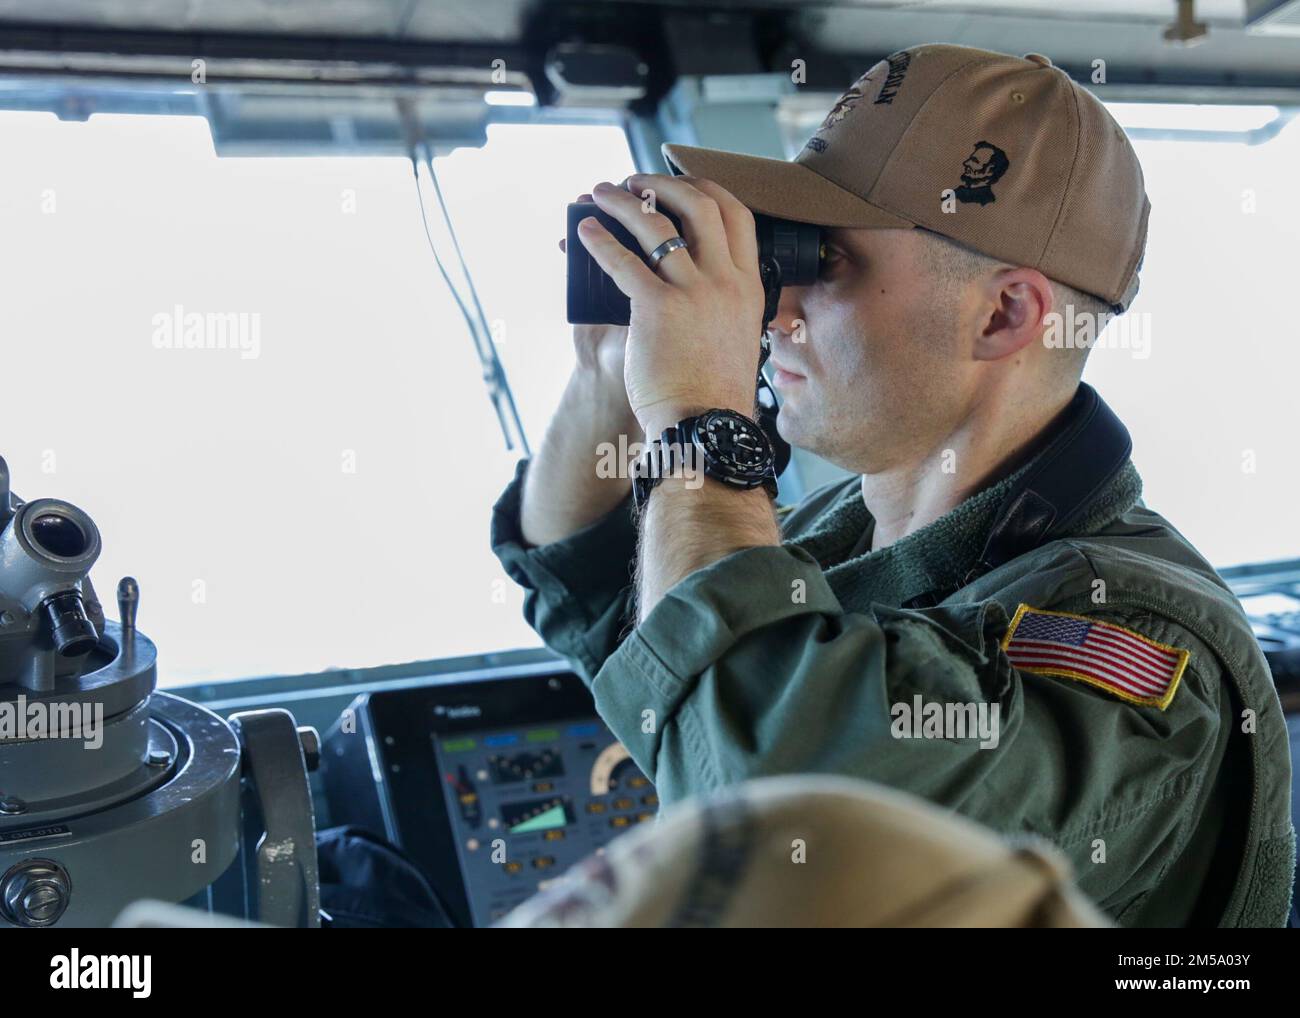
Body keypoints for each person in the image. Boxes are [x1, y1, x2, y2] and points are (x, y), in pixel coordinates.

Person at [490, 44, 1294, 926]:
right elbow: (604, 599)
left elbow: (796, 833)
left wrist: (698, 414)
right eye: (777, 254)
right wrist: (613, 380)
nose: (774, 310)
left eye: (824, 262)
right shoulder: (839, 529)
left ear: (1002, 315)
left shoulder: (1136, 637)